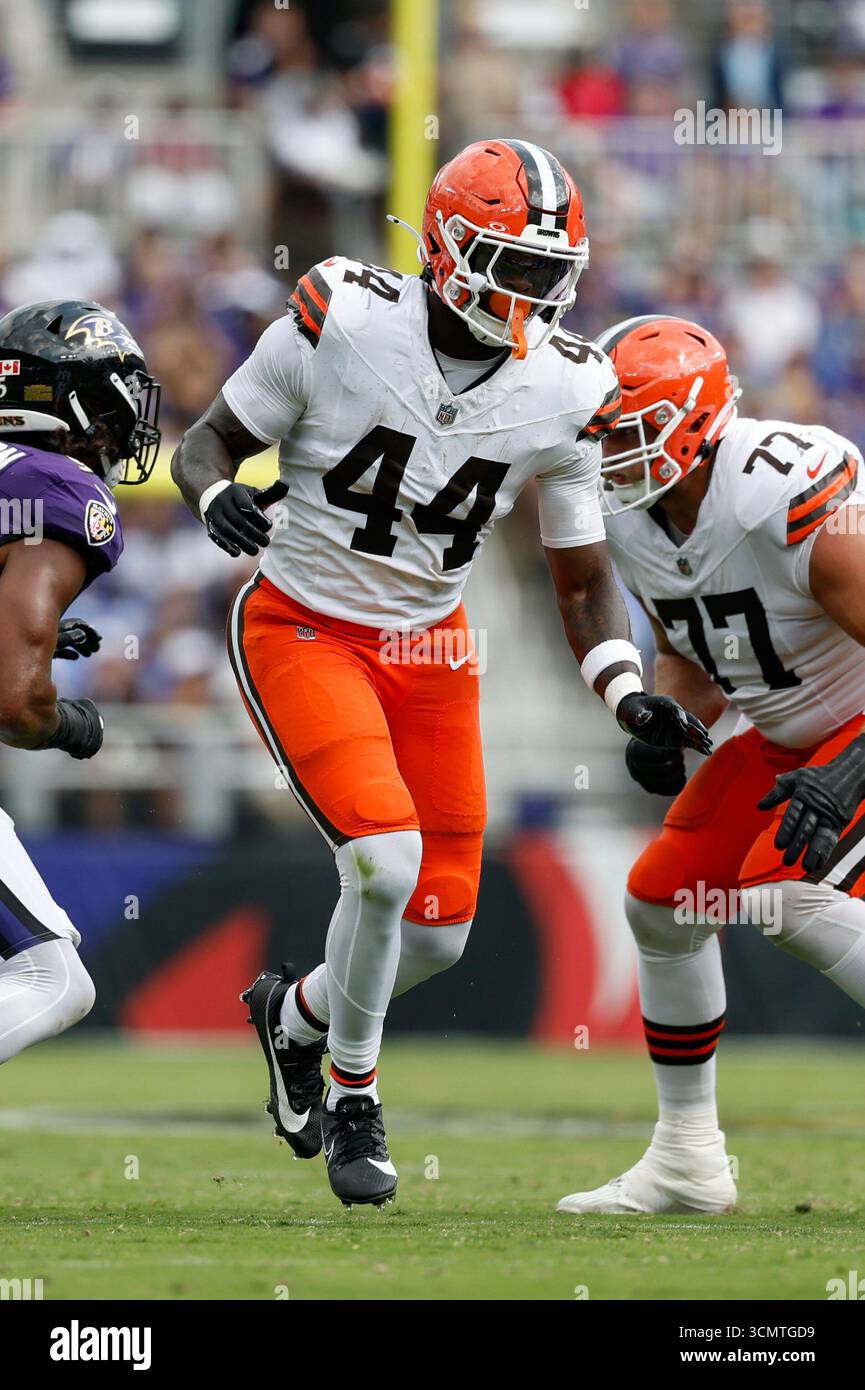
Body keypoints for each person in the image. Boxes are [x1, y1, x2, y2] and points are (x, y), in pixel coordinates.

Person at [171, 142, 709, 1209]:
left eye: (549, 274)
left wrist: (622, 692)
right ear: (452, 249)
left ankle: (298, 1017)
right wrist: (209, 495)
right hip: (305, 625)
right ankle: (354, 1093)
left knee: (437, 926)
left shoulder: (566, 387)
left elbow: (579, 577)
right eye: (513, 266)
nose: (536, 296)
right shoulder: (344, 320)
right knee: (381, 861)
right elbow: (206, 442)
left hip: (431, 648)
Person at [558, 315, 865, 1214]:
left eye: (628, 429)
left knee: (789, 897)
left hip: (853, 727)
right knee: (660, 902)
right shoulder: (635, 517)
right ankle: (687, 1160)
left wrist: (848, 772)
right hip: (781, 732)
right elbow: (698, 653)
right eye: (602, 429)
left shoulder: (784, 489)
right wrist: (667, 721)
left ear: (692, 421)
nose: (608, 450)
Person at [0, 298, 160, 1065]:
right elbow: (16, 705)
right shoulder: (58, 486)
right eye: (106, 399)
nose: (120, 424)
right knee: (52, 979)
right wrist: (67, 724)